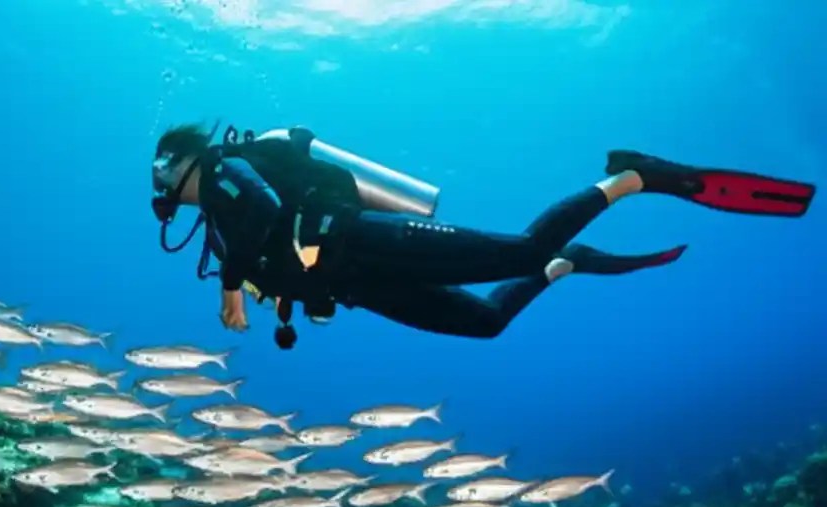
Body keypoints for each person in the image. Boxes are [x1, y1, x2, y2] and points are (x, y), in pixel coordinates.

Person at [150, 123, 816, 349]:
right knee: (488, 323)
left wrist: (233, 293)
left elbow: (268, 209)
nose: (159, 177)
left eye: (162, 162)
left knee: (521, 247)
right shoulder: (215, 221)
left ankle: (630, 179)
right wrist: (287, 298)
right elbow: (272, 252)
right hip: (361, 285)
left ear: (185, 157)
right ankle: (566, 265)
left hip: (370, 240)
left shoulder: (222, 172)